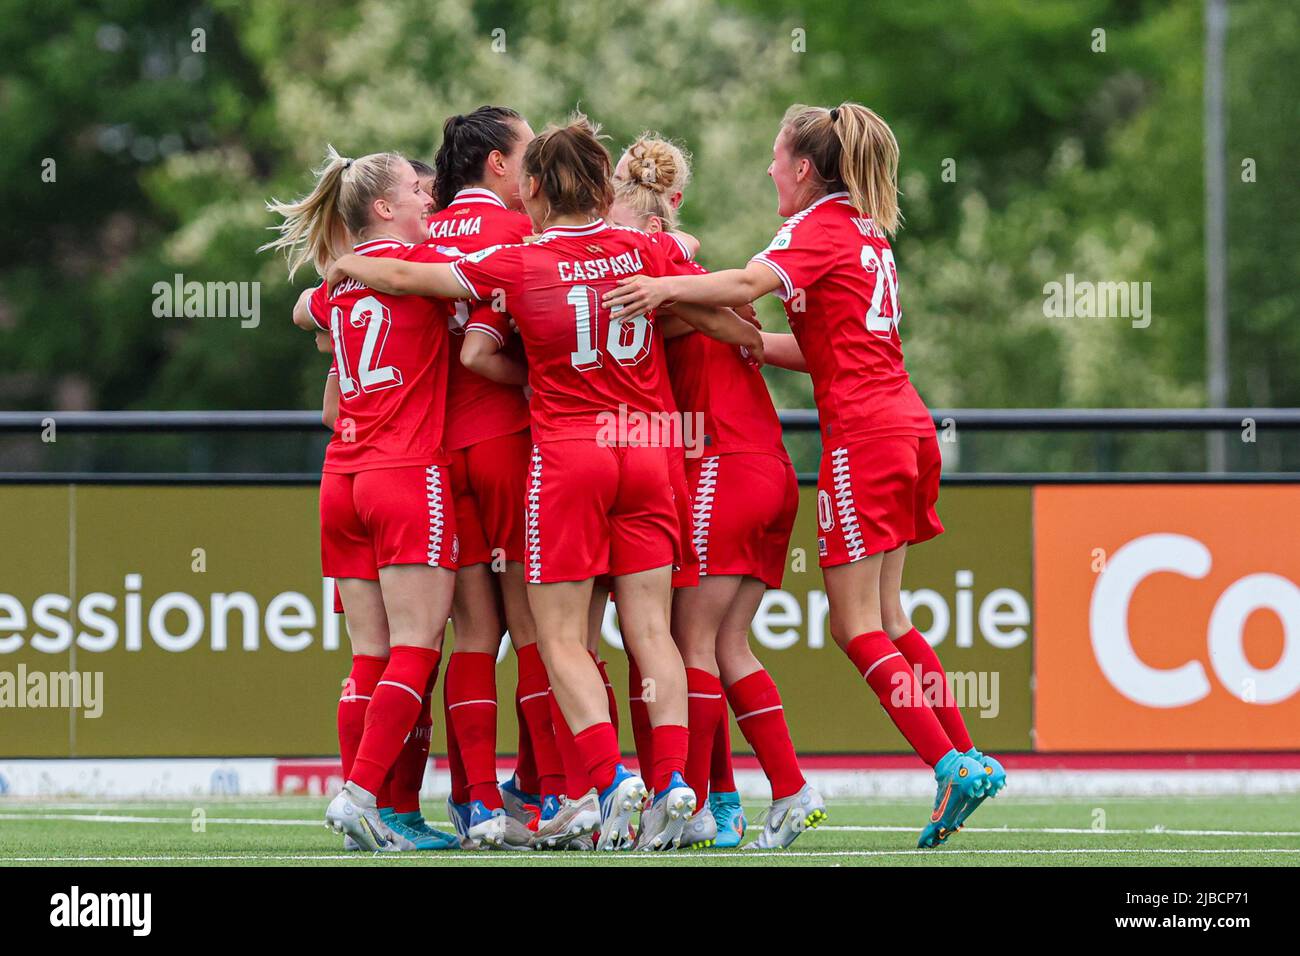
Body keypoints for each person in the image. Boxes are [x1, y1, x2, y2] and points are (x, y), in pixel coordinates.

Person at [327, 113, 765, 850]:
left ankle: (599, 782)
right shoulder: (647, 247)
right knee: (651, 631)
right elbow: (728, 311)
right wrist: (714, 318)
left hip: (560, 458)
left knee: (549, 635)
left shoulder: (521, 259)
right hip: (649, 451)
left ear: (529, 186)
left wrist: (340, 269)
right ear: (605, 185)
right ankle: (672, 786)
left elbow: (404, 277)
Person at [602, 103, 1007, 848]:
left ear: (804, 169)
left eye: (775, 157)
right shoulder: (867, 233)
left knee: (854, 629)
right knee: (890, 619)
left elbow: (742, 285)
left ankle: (944, 759)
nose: (767, 170)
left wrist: (667, 292)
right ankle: (967, 754)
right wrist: (752, 344)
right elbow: (826, 347)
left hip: (863, 437)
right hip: (907, 425)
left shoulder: (814, 227)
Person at [609, 133, 824, 850]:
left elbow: (676, 301)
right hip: (769, 468)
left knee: (684, 643)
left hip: (723, 466)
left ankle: (697, 801)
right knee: (726, 644)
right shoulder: (681, 264)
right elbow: (706, 297)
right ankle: (777, 792)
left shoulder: (652, 270)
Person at [264, 147, 463, 852]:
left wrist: (341, 272)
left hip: (342, 478)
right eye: (415, 186)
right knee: (418, 645)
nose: (429, 193)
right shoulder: (425, 268)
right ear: (383, 209)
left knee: (369, 656)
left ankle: (373, 813)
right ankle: (359, 796)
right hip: (406, 472)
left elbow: (301, 309)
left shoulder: (339, 287)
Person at [425, 106, 548, 852]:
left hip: (438, 452)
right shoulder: (520, 233)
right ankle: (555, 798)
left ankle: (474, 805)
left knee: (473, 632)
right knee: (540, 628)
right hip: (508, 440)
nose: (536, 168)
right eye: (528, 152)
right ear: (497, 165)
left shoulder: (421, 235)